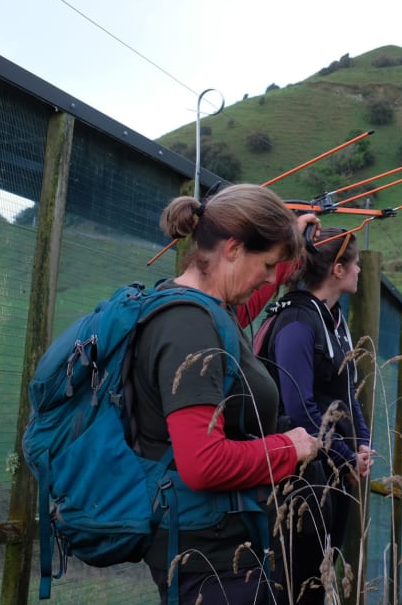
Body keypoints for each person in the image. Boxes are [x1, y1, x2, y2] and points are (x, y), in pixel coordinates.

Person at [129, 183, 322, 605]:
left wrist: (292, 237)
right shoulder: (189, 329)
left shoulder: (202, 310)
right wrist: (288, 447)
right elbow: (202, 463)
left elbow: (243, 310)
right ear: (233, 248)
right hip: (209, 562)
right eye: (268, 265)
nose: (273, 278)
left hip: (220, 551)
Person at [257, 226, 373, 605]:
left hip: (334, 471)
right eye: (354, 264)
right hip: (302, 478)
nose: (359, 271)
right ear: (337, 269)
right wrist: (345, 454)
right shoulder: (296, 322)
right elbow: (297, 408)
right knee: (299, 582)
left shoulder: (333, 320)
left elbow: (346, 392)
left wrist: (363, 443)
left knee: (321, 578)